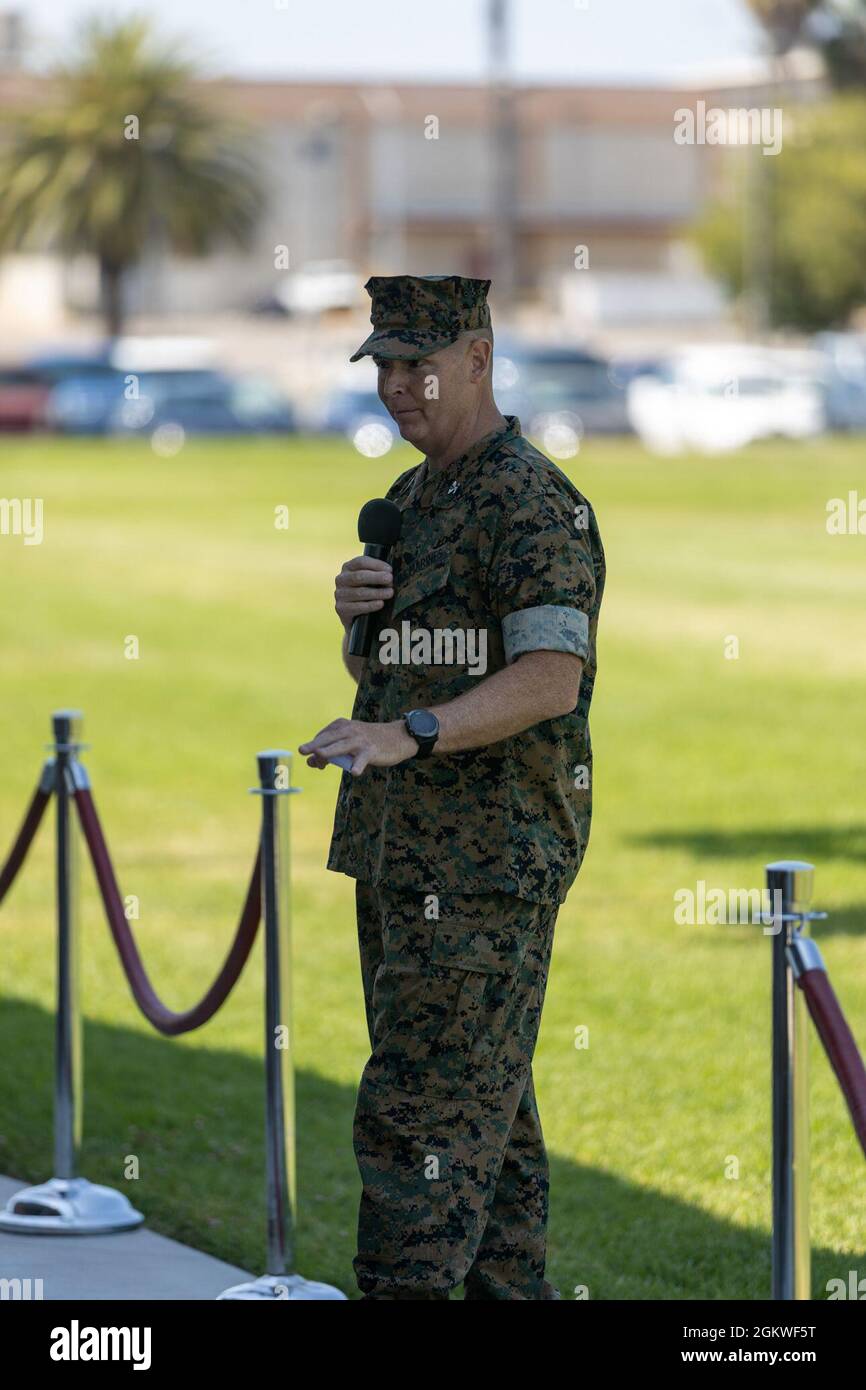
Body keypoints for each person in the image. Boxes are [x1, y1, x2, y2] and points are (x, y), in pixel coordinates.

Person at [300, 273, 605, 1300]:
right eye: (382, 366)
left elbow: (548, 678)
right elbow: (395, 674)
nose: (395, 387)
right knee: (489, 1127)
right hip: (400, 854)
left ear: (476, 357)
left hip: (484, 866)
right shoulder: (419, 502)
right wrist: (357, 623)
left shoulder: (530, 501)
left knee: (417, 1125)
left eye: (415, 364)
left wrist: (411, 733)